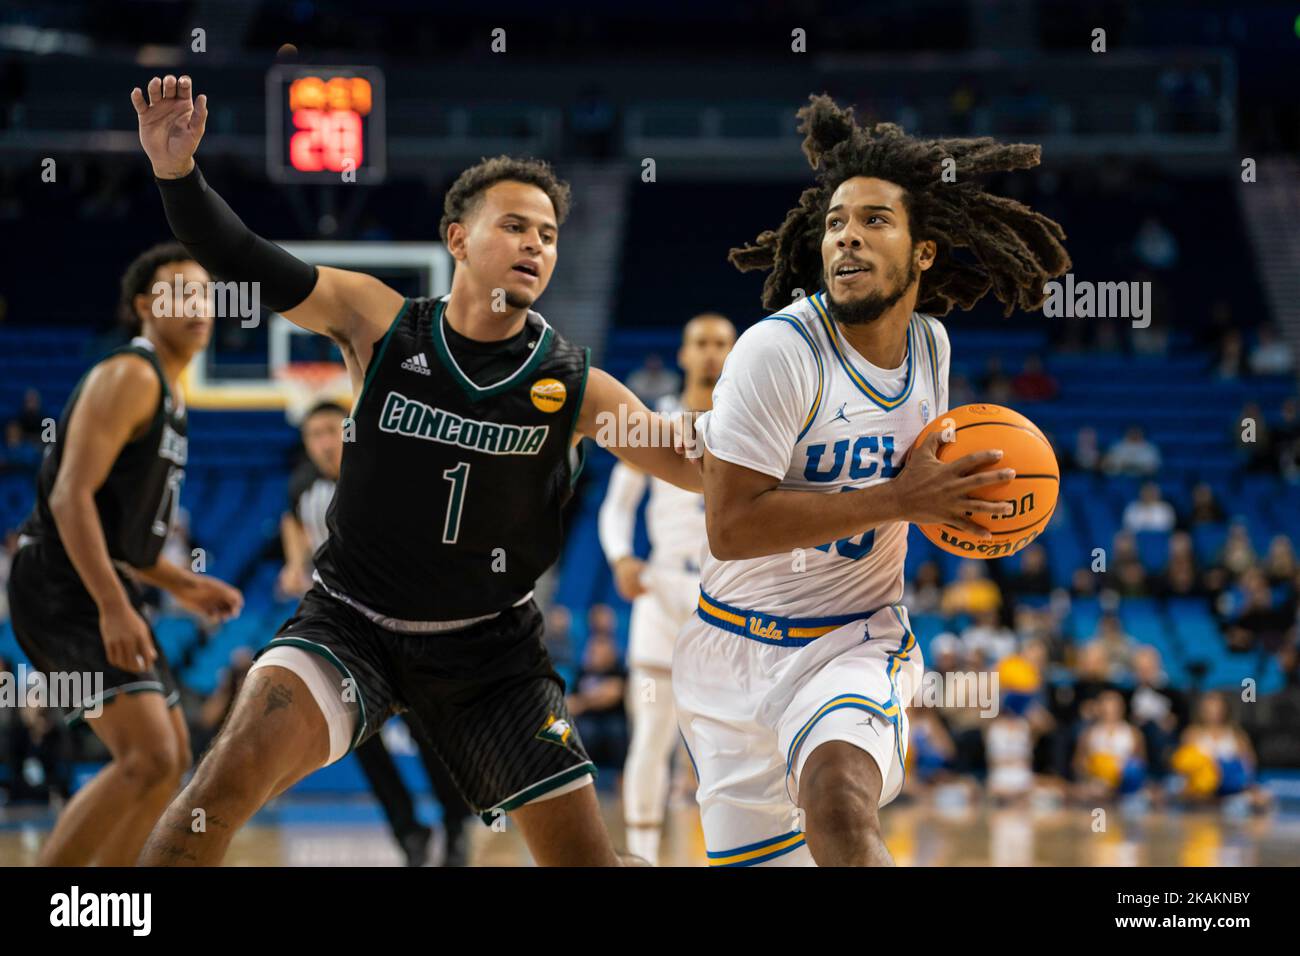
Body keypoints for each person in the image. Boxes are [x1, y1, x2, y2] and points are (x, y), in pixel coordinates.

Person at [131, 73, 700, 867]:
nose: (537, 244)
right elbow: (244, 258)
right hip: (348, 624)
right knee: (211, 798)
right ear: (458, 239)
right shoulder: (378, 322)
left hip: (490, 654)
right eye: (515, 226)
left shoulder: (577, 386)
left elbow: (696, 465)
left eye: (548, 233)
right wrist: (176, 175)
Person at [673, 95, 1070, 866]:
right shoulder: (777, 352)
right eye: (834, 222)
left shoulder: (933, 348)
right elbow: (732, 526)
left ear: (923, 251)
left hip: (855, 642)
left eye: (875, 219)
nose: (847, 234)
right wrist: (901, 500)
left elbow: (922, 489)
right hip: (728, 654)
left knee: (841, 806)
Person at [6, 242, 243, 865]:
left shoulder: (169, 393)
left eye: (205, 295)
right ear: (144, 306)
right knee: (149, 758)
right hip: (62, 585)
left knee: (168, 764)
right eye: (179, 293)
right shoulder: (131, 375)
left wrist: (185, 586)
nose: (198, 306)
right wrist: (114, 605)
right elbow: (68, 496)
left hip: (93, 577)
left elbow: (121, 538)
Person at [278, 400, 475, 866]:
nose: (323, 442)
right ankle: (409, 830)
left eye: (331, 430)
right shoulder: (303, 485)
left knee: (428, 734)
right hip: (348, 632)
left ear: (350, 430)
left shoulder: (385, 467)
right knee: (358, 738)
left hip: (406, 623)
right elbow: (292, 519)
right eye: (314, 435)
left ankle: (455, 824)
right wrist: (293, 562)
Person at [597, 312, 735, 864]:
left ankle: (735, 850)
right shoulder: (654, 425)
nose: (709, 353)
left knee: (732, 737)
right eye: (700, 342)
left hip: (726, 594)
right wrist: (621, 556)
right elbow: (616, 507)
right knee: (651, 730)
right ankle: (642, 855)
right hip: (661, 590)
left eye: (721, 344)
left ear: (734, 354)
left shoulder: (751, 425)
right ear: (682, 353)